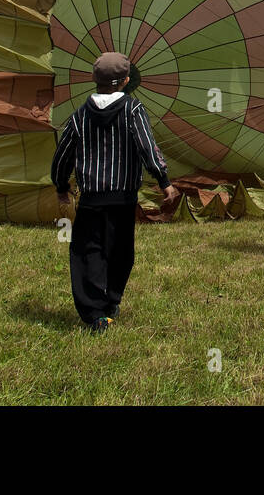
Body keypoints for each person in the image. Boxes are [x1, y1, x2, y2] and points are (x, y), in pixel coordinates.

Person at [51, 51, 179, 331]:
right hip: (123, 198)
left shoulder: (79, 116)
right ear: (127, 80)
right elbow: (147, 147)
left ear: (94, 80)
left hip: (92, 199)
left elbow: (63, 154)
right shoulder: (133, 110)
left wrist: (61, 185)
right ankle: (110, 302)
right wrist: (164, 179)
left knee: (89, 252)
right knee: (120, 251)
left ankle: (96, 312)